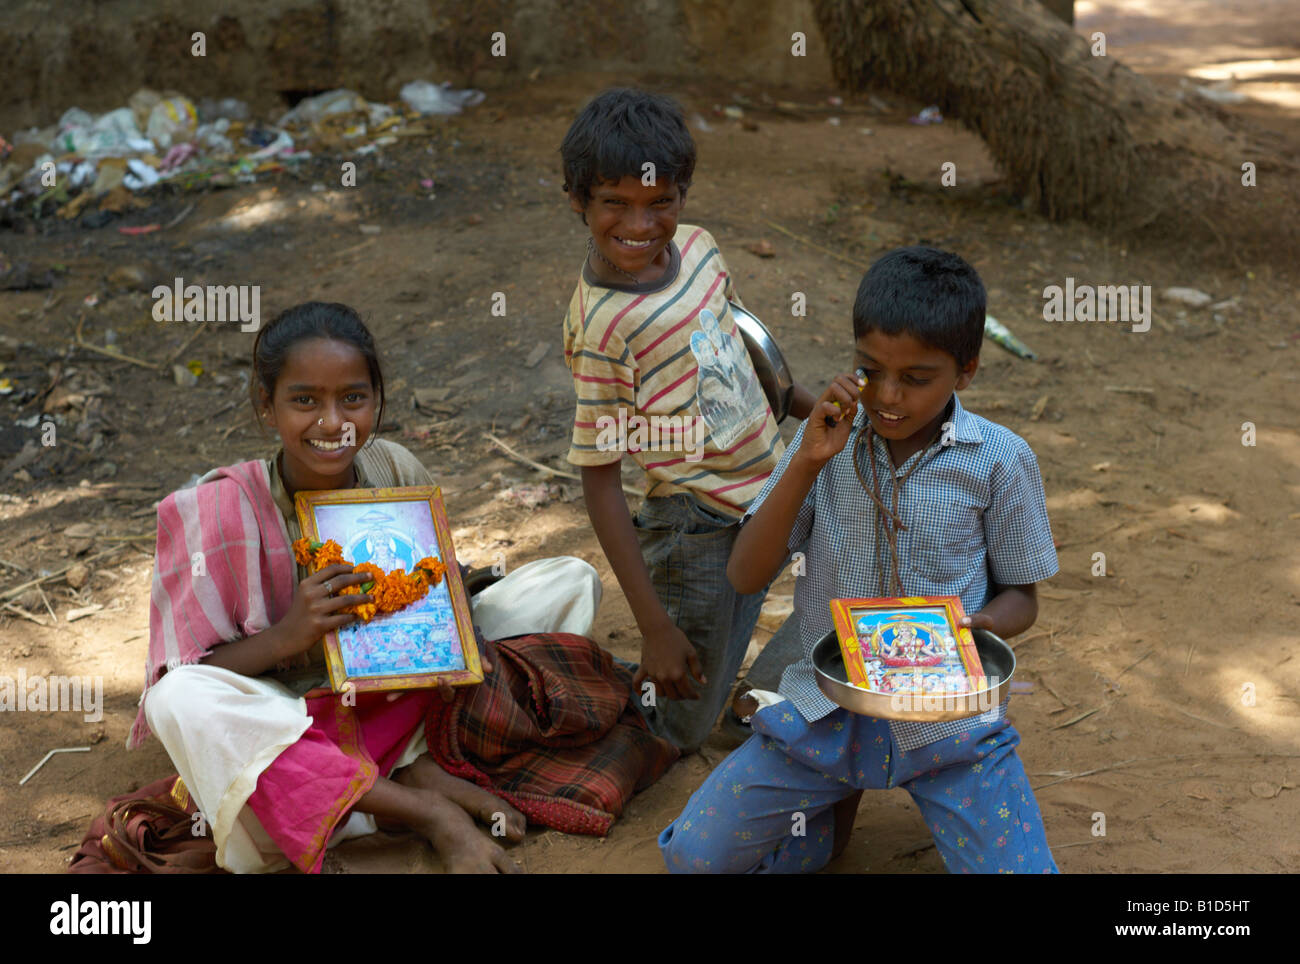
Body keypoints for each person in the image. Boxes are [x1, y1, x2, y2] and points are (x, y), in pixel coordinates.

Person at [131, 301, 603, 874]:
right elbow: (191, 669)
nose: (333, 423)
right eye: (305, 401)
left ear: (376, 399)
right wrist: (289, 635)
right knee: (177, 700)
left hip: (404, 699)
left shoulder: (394, 468)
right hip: (292, 713)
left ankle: (373, 789)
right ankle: (423, 806)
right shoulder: (221, 509)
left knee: (568, 583)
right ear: (267, 406)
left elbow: (442, 578)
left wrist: (458, 639)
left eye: (352, 398)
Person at [658, 246, 1061, 873]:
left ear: (967, 371)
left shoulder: (1000, 460)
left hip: (947, 716)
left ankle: (848, 800)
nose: (889, 396)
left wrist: (979, 627)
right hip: (826, 708)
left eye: (917, 378)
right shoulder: (826, 444)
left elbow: (1022, 598)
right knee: (694, 858)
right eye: (871, 371)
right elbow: (745, 573)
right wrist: (808, 460)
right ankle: (829, 808)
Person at [559, 86, 816, 751]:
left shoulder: (699, 248)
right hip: (697, 530)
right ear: (577, 200)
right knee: (677, 728)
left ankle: (760, 705)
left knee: (861, 563)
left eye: (660, 203)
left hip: (772, 485)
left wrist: (820, 414)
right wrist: (654, 628)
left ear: (682, 195)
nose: (639, 224)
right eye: (614, 203)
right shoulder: (604, 328)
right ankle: (571, 689)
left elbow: (745, 350)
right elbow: (600, 478)